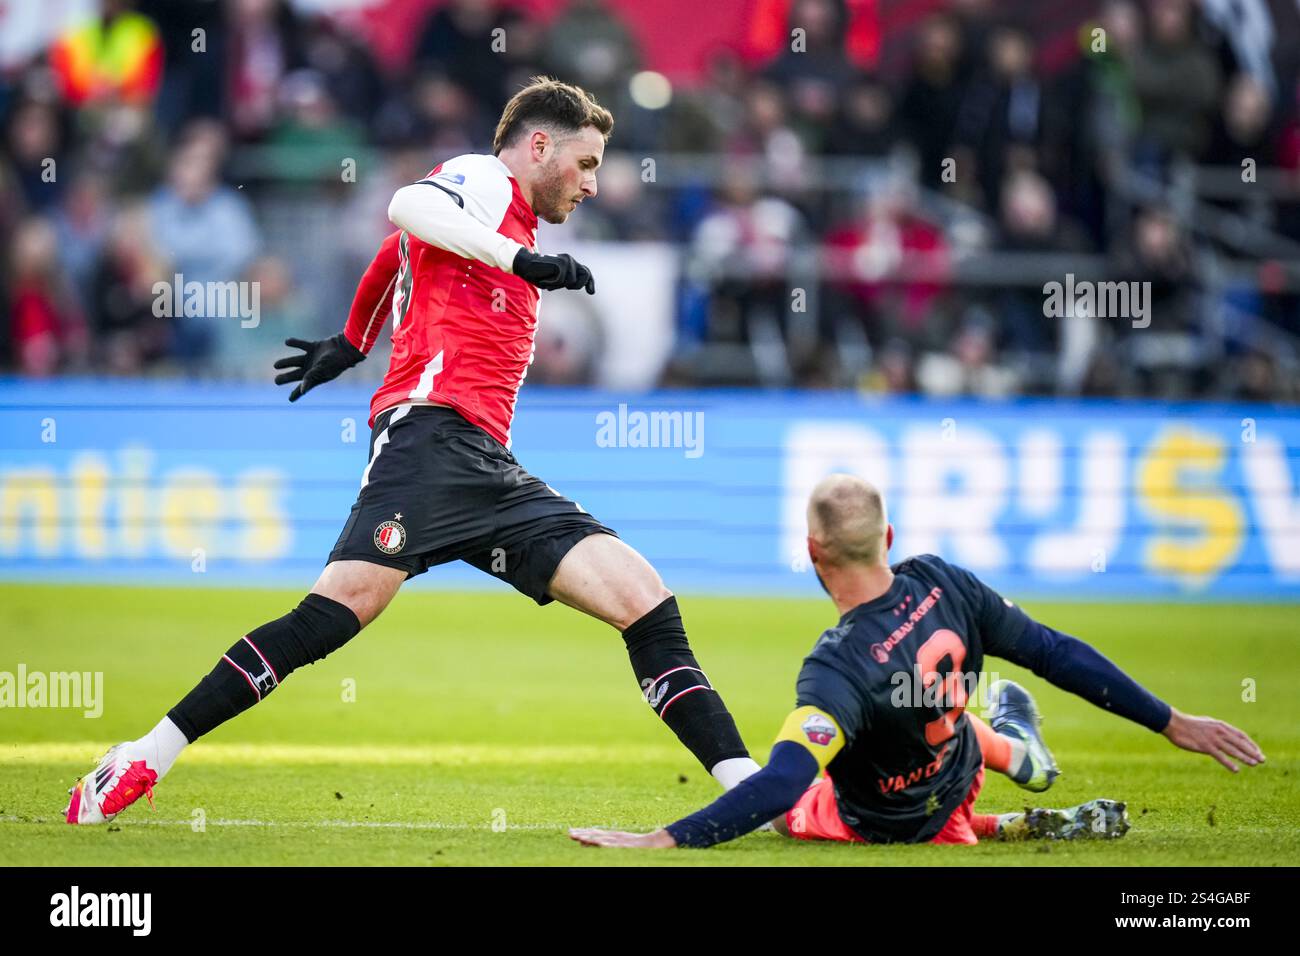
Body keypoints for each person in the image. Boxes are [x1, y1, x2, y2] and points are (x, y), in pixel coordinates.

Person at [65, 77, 761, 824]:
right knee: (327, 620)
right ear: (538, 146)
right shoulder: (487, 180)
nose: (591, 183)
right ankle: (146, 753)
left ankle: (753, 789)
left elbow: (398, 250)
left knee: (644, 603)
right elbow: (407, 208)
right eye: (585, 163)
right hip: (430, 441)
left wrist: (355, 339)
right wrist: (518, 263)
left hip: (483, 465)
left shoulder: (501, 216)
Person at [570, 474, 1265, 850]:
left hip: (886, 821)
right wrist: (1170, 720)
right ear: (889, 538)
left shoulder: (834, 670)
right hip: (956, 774)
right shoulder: (945, 582)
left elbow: (781, 785)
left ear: (811, 553)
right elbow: (1055, 653)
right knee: (945, 721)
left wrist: (662, 838)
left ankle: (1011, 765)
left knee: (802, 815)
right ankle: (1011, 762)